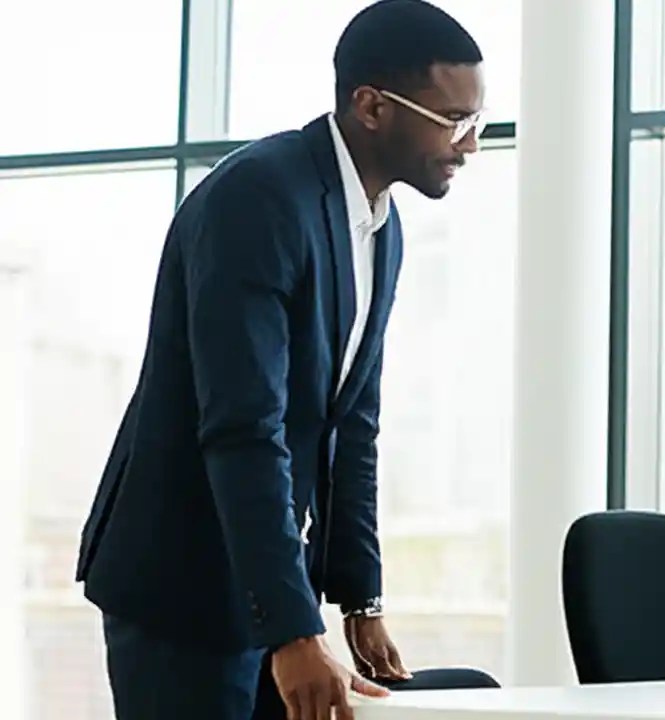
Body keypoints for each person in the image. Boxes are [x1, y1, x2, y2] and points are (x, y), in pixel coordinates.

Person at [73, 1, 492, 717]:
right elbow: (244, 425)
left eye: (475, 119)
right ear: (371, 107)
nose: (470, 143)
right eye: (453, 120)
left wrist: (359, 597)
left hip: (266, 585)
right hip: (183, 586)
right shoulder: (259, 198)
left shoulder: (379, 225)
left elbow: (352, 423)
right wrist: (294, 630)